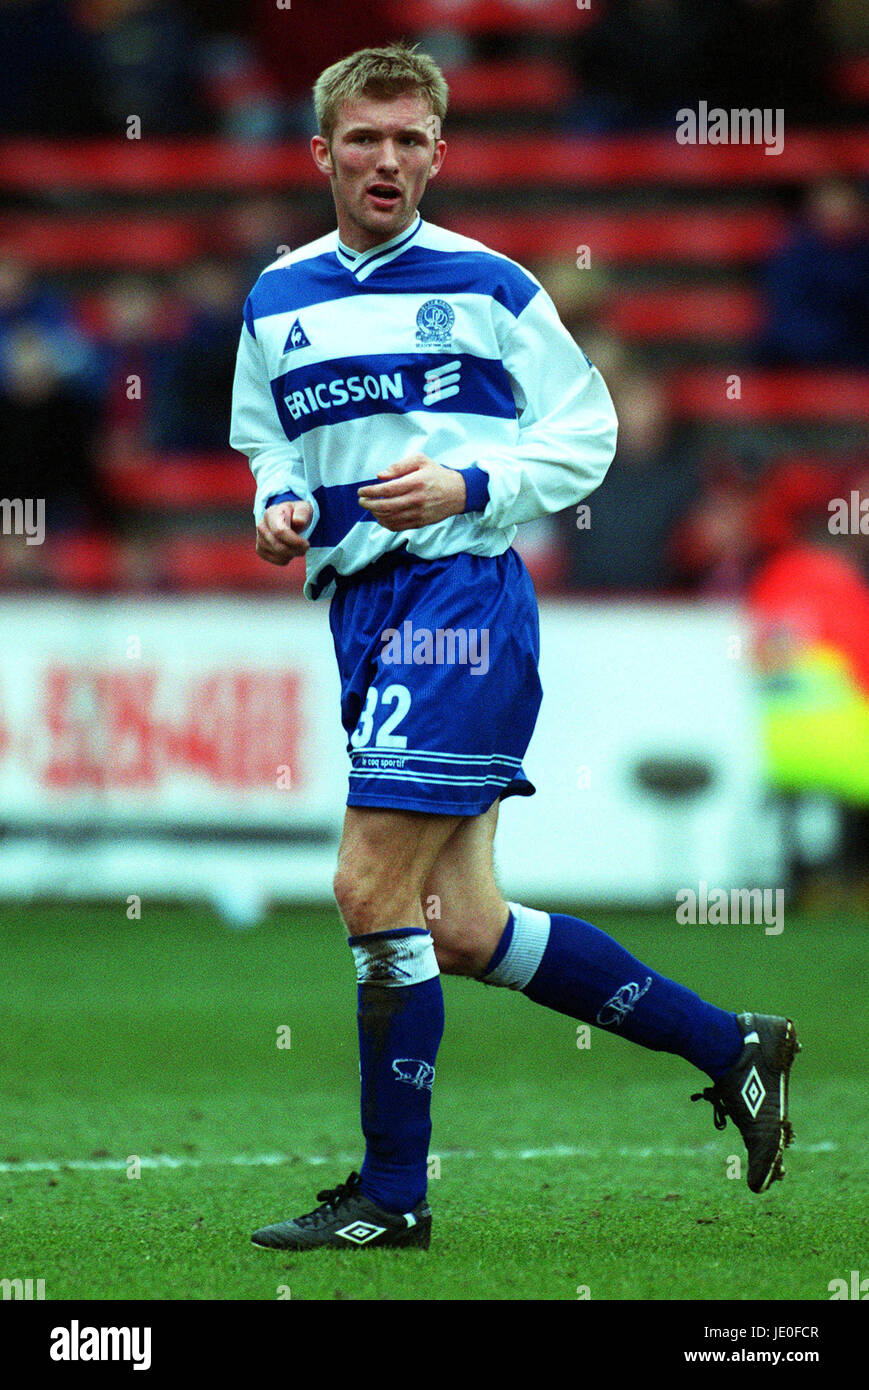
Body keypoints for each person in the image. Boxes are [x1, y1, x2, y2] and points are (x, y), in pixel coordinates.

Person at [230, 43, 799, 1253]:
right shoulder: (276, 299)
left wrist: (466, 478)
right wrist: (275, 506)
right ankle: (732, 1044)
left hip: (458, 602)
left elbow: (586, 435)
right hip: (356, 613)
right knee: (458, 923)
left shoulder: (489, 288)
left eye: (410, 139)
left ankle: (391, 1196)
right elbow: (264, 443)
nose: (387, 159)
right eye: (365, 137)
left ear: (438, 153)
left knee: (366, 888)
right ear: (320, 151)